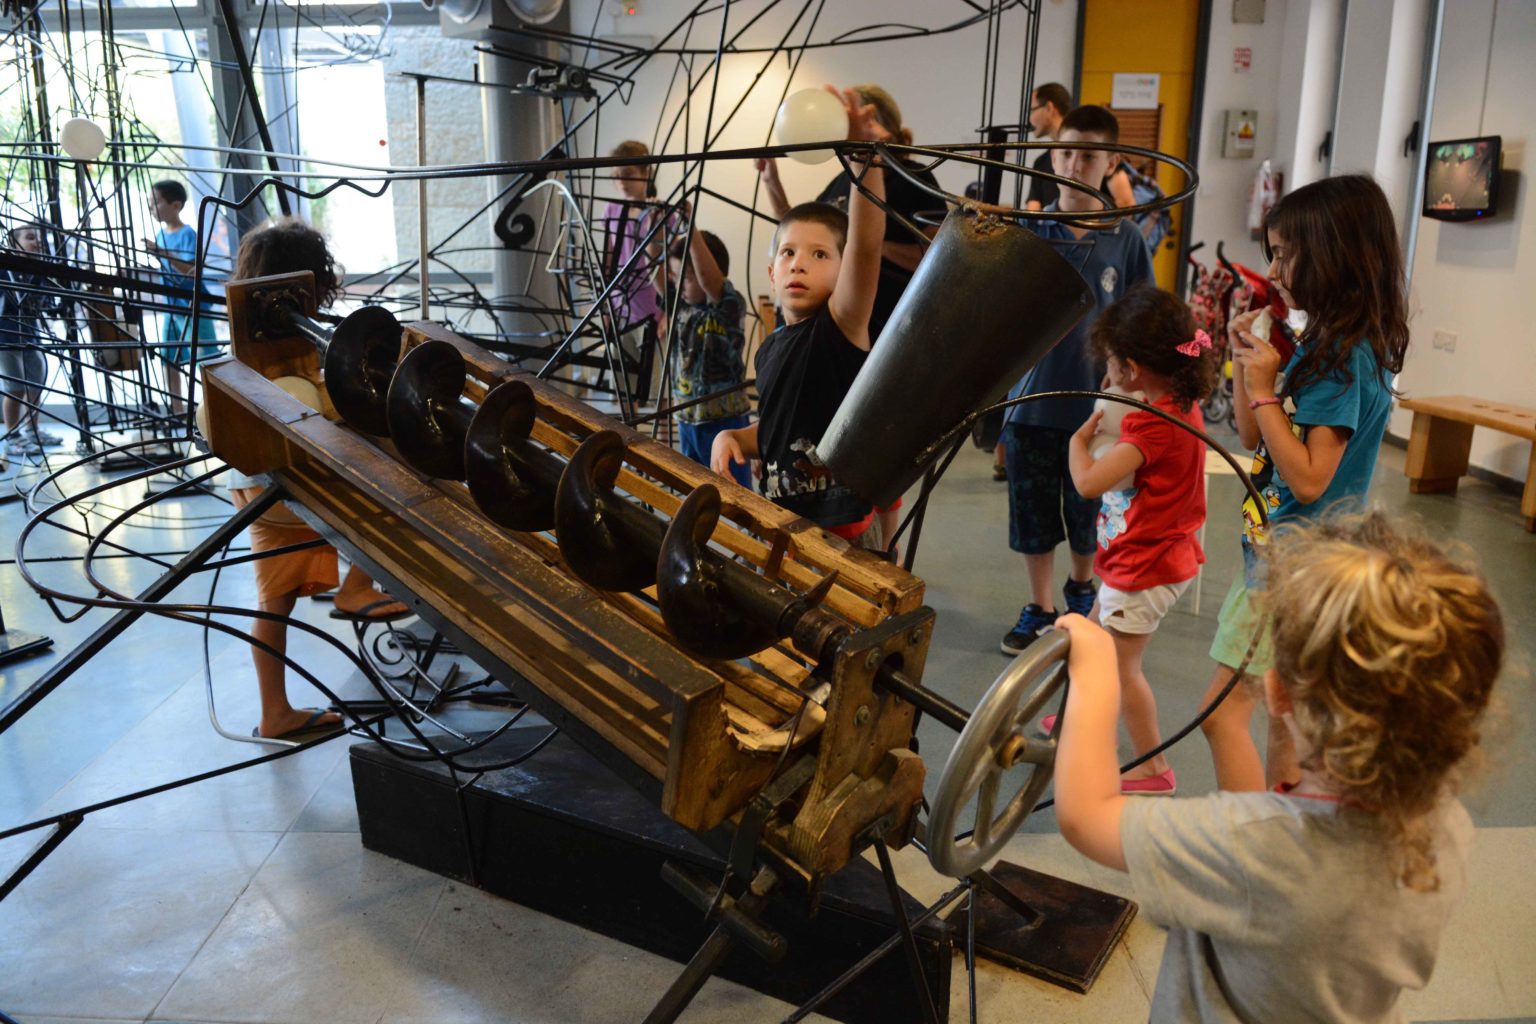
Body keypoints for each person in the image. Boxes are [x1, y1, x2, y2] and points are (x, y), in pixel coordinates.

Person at [1053, 512, 1503, 1023]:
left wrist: (1098, 674)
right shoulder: (1449, 829)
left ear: (1277, 691)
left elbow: (1085, 816)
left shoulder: (1254, 848)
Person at [1197, 174, 1410, 792]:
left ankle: (1250, 843)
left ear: (1335, 255)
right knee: (1281, 714)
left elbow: (1312, 479)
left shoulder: (1343, 359)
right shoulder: (1323, 343)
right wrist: (1244, 365)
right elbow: (1252, 437)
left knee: (1221, 719)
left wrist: (1265, 387)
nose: (1275, 266)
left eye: (1287, 252)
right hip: (1281, 557)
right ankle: (1284, 827)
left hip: (1291, 570)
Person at [226, 218, 409, 741]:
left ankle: (274, 712)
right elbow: (309, 405)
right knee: (398, 479)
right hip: (288, 482)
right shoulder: (291, 335)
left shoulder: (249, 329)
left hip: (255, 482)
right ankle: (357, 586)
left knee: (274, 600)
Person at [1000, 105, 1154, 656]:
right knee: (1032, 511)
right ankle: (1039, 606)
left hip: (1098, 411)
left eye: (1087, 155)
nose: (1071, 163)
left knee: (1089, 511)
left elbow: (1144, 316)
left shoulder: (1126, 237)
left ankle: (1081, 592)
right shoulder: (1029, 228)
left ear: (1110, 161)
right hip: (1031, 406)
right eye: (1063, 151)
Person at [1061, 286, 1216, 795]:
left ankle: (1154, 769)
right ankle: (1078, 723)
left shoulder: (1153, 425)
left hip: (1148, 566)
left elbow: (1088, 483)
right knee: (1088, 637)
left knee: (1123, 668)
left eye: (1111, 363)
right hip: (1147, 555)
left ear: (1130, 368)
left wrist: (1076, 442)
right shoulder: (1180, 400)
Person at [711, 90, 885, 541]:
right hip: (780, 526)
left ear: (842, 270)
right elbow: (776, 431)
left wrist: (866, 162)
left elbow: (866, 247)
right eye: (788, 252)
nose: (799, 262)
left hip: (839, 534)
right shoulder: (770, 348)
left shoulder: (840, 329)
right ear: (772, 272)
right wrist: (731, 438)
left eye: (819, 253)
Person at [754, 84, 938, 343]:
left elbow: (938, 253)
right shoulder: (843, 180)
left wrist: (874, 249)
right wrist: (770, 181)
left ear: (876, 123)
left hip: (886, 326)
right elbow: (797, 228)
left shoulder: (912, 176)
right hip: (825, 323)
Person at [659, 208, 751, 487]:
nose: (678, 285)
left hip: (725, 421)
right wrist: (657, 226)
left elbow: (711, 281)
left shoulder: (729, 305)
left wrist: (691, 227)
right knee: (695, 486)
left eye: (685, 277)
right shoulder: (681, 305)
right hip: (688, 419)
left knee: (736, 489)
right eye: (676, 278)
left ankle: (747, 531)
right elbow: (656, 272)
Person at [600, 140, 669, 403]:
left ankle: (660, 443)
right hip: (620, 308)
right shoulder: (611, 210)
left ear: (645, 173)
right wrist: (606, 309)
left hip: (653, 309)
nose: (622, 183)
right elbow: (608, 261)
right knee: (623, 388)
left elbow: (671, 267)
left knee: (658, 392)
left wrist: (667, 313)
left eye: (628, 175)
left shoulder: (661, 212)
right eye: (617, 177)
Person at [1, 224, 60, 458]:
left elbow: (44, 303)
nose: (37, 242)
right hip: (6, 337)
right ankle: (12, 436)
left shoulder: (36, 271)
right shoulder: (5, 270)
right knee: (14, 388)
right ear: (12, 244)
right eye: (30, 238)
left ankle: (32, 430)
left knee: (35, 385)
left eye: (40, 239)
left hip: (30, 335)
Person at [1023, 82, 1072, 212]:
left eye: (1032, 110)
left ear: (1049, 108)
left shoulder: (1089, 152)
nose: (1029, 119)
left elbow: (1125, 201)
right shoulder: (1041, 163)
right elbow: (1033, 210)